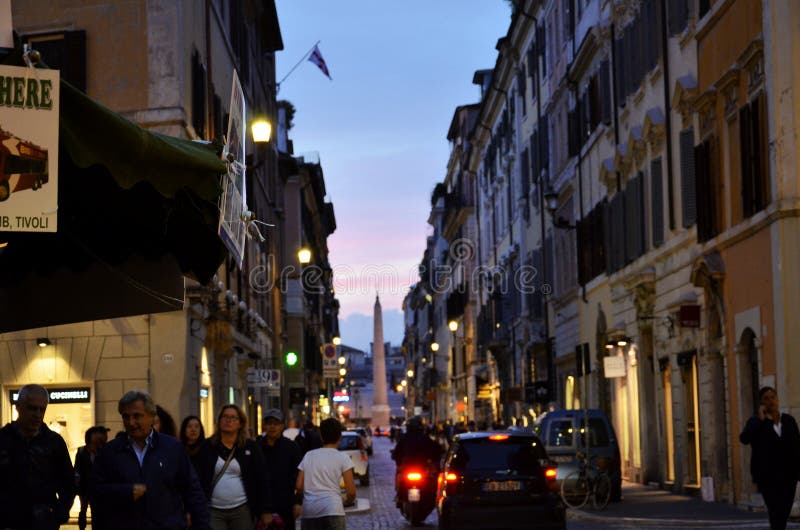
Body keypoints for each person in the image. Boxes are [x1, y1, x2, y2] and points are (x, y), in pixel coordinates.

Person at [91, 390, 209, 530]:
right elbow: (95, 492)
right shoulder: (110, 452)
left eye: (137, 416)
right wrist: (126, 492)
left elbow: (193, 492)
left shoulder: (172, 448)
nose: (131, 422)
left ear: (151, 416)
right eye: (126, 417)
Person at [0, 384, 76, 530]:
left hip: (43, 522)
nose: (38, 414)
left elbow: (68, 483)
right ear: (18, 407)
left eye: (42, 409)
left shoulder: (54, 442)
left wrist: (59, 513)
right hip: (8, 521)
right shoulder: (3, 439)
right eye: (32, 408)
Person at [196, 404, 273, 530]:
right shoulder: (207, 446)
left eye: (233, 418)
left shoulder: (250, 447)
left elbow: (262, 478)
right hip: (214, 510)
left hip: (242, 509)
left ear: (240, 424)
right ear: (219, 421)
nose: (228, 420)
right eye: (225, 417)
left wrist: (266, 509)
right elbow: (198, 478)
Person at [740, 386, 800, 530]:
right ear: (761, 403)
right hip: (768, 478)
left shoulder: (788, 421)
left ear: (777, 400)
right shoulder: (756, 423)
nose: (770, 401)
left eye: (773, 397)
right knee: (775, 512)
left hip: (789, 476)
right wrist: (760, 420)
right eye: (766, 399)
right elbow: (744, 438)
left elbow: (797, 447)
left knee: (784, 512)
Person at [295, 418, 357, 530]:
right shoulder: (343, 458)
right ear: (340, 437)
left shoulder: (308, 456)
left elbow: (299, 486)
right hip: (333, 509)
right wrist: (346, 502)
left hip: (310, 512)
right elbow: (351, 492)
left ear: (321, 436)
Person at [259, 409, 302, 530]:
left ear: (282, 426)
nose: (272, 427)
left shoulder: (292, 447)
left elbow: (299, 476)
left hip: (286, 504)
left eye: (276, 423)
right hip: (261, 505)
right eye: (269, 423)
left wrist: (298, 502)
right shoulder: (257, 447)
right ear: (264, 426)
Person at [392, 417, 443, 492]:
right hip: (421, 466)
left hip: (411, 466)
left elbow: (397, 452)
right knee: (432, 481)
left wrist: (397, 459)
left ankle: (399, 492)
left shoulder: (404, 438)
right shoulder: (425, 438)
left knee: (400, 475)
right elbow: (436, 449)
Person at [75, 425, 110, 530]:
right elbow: (77, 469)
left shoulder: (103, 451)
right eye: (99, 436)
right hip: (84, 486)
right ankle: (82, 527)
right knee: (83, 509)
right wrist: (76, 484)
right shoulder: (81, 451)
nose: (102, 439)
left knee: (96, 510)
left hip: (98, 487)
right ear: (91, 436)